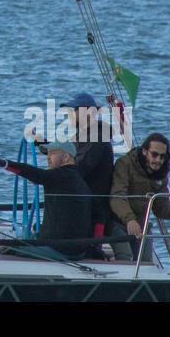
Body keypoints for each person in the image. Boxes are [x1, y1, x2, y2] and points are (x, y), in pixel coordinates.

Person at [0, 141, 93, 259]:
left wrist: (4, 164)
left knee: (9, 250)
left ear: (66, 157)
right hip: (75, 248)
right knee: (31, 235)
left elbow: (35, 173)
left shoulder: (62, 175)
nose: (48, 158)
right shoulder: (76, 179)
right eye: (47, 154)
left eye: (52, 153)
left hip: (61, 249)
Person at [108, 132, 170, 262]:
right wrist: (129, 219)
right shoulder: (125, 164)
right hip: (117, 222)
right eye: (154, 154)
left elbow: (160, 207)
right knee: (124, 257)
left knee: (146, 262)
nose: (158, 160)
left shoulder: (161, 174)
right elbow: (117, 196)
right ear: (144, 151)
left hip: (142, 224)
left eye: (162, 156)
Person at [63, 93, 115, 245]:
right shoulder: (84, 136)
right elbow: (66, 152)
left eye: (73, 111)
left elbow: (77, 168)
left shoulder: (97, 138)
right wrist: (43, 145)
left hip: (92, 211)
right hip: (83, 206)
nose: (69, 114)